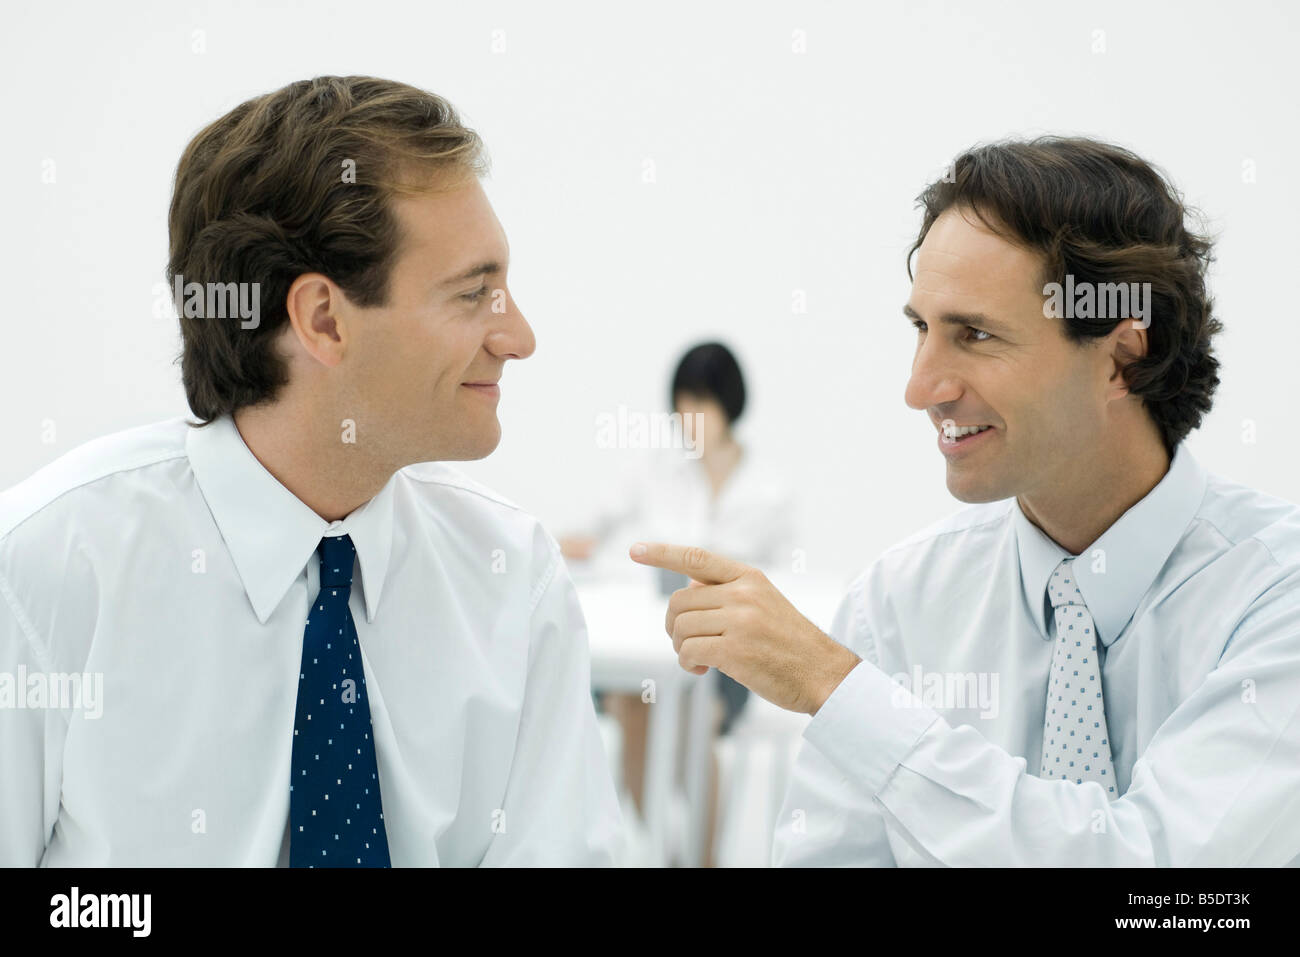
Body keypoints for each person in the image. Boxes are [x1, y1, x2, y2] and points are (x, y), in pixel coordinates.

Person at [0, 75, 622, 866]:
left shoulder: (512, 581)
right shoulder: (45, 571)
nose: (519, 337)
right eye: (475, 295)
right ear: (324, 319)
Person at [629, 136, 1300, 866]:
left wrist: (842, 692)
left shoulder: (1274, 595)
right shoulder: (895, 605)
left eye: (975, 334)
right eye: (922, 329)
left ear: (1122, 356)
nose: (921, 389)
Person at [560, 342, 795, 865]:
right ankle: (669, 856)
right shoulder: (652, 470)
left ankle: (703, 859)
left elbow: (777, 591)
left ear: (728, 406)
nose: (691, 420)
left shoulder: (769, 490)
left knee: (691, 711)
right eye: (683, 405)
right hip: (653, 647)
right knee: (631, 702)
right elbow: (596, 537)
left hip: (726, 661)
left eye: (702, 405)